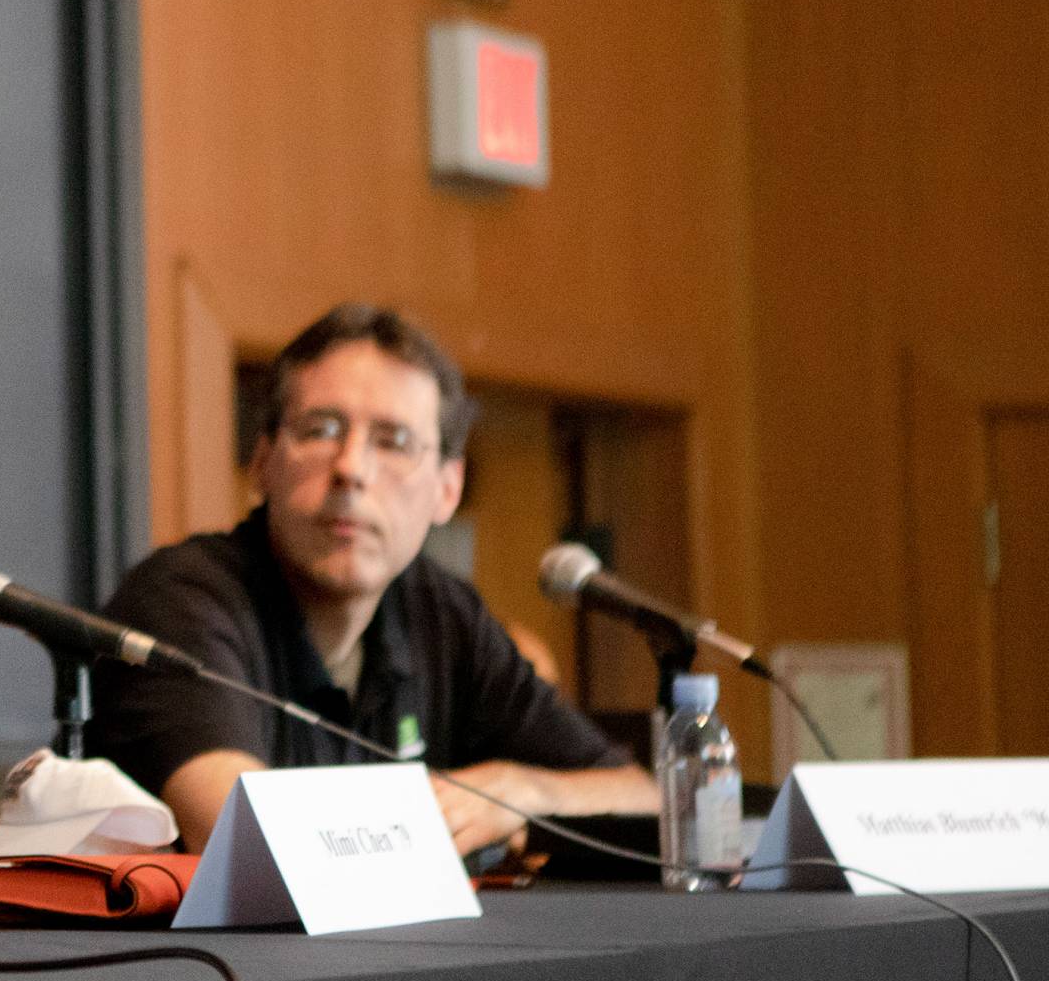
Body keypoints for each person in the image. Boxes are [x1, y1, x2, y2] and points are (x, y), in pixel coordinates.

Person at [87, 303, 654, 855]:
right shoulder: (184, 599)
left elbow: (643, 798)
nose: (352, 468)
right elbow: (248, 843)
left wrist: (523, 791)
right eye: (321, 429)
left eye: (393, 441)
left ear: (447, 490)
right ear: (263, 462)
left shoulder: (443, 613)